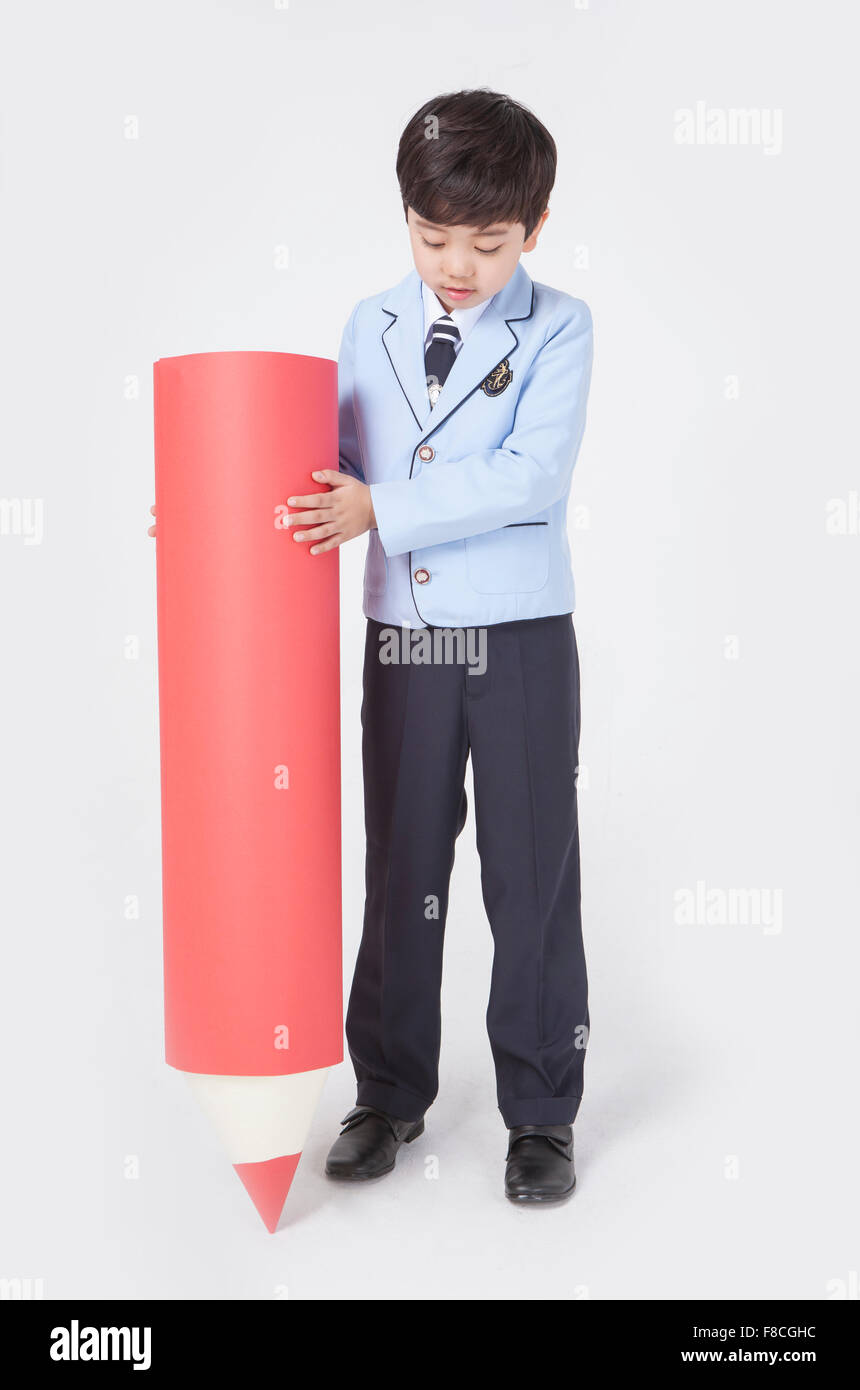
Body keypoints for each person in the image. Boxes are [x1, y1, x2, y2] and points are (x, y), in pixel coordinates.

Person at [151, 87, 593, 1203]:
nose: (455, 262)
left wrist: (382, 511)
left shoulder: (562, 325)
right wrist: (211, 504)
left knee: (528, 873)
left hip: (520, 635)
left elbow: (529, 477)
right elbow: (318, 464)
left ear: (531, 229)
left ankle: (539, 1110)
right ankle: (388, 1091)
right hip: (405, 637)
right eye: (432, 234)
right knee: (402, 867)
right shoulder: (368, 323)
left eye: (485, 243)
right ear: (406, 217)